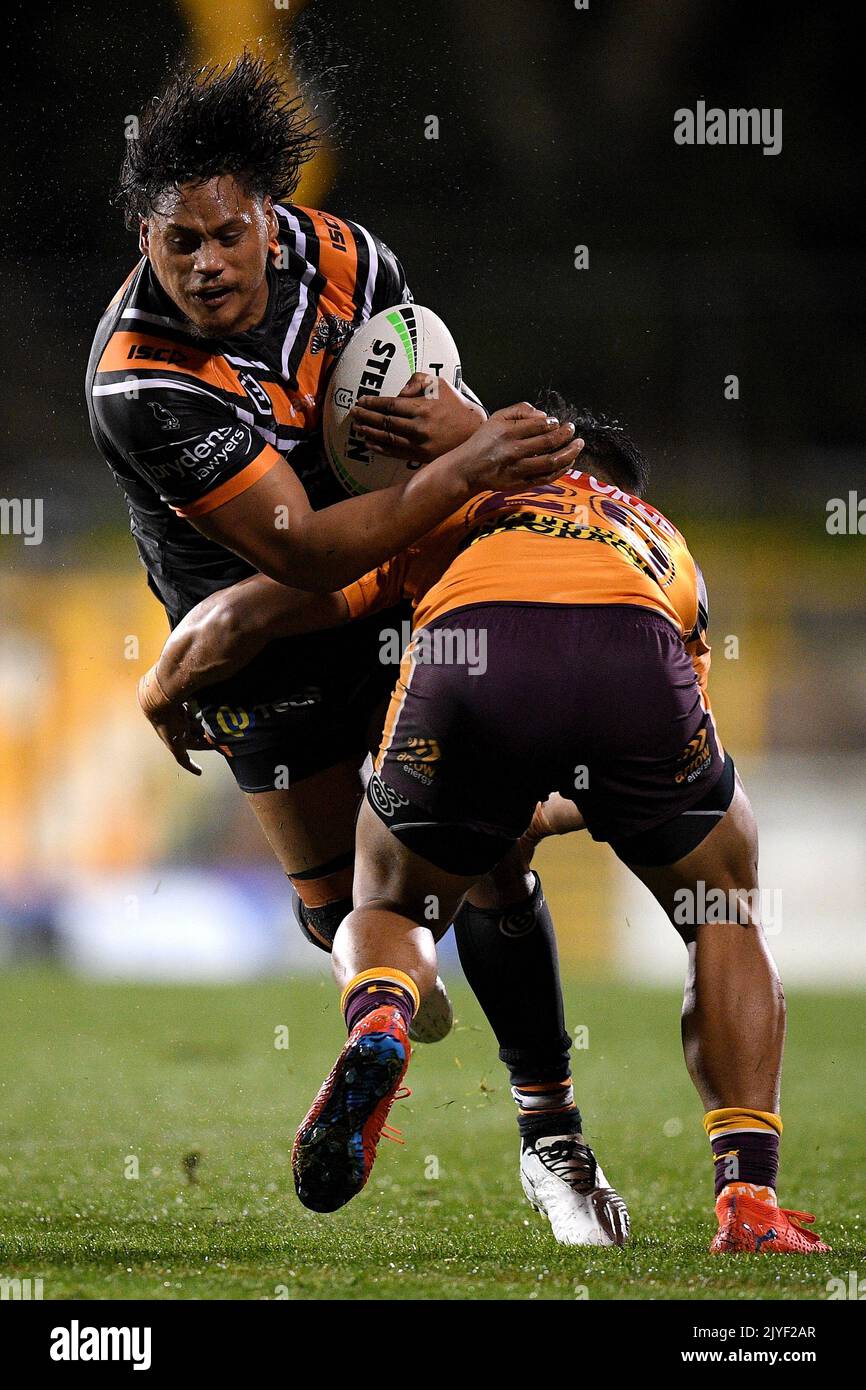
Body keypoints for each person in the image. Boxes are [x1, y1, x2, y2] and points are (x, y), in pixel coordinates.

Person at [89, 54, 609, 1244]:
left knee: (446, 881)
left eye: (227, 233)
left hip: (376, 609)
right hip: (265, 632)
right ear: (143, 234)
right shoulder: (140, 382)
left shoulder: (349, 259)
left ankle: (529, 1128)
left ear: (270, 213)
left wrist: (461, 433)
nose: (208, 262)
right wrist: (466, 464)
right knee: (370, 903)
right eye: (180, 244)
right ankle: (525, 1121)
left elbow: (438, 406)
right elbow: (309, 556)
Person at [138, 396, 830, 1254]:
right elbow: (652, 769)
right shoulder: (660, 540)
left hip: (468, 656)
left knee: (386, 905)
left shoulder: (460, 511)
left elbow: (242, 615)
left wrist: (161, 691)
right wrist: (553, 802)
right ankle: (749, 1201)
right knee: (724, 907)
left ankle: (384, 1015)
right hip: (637, 646)